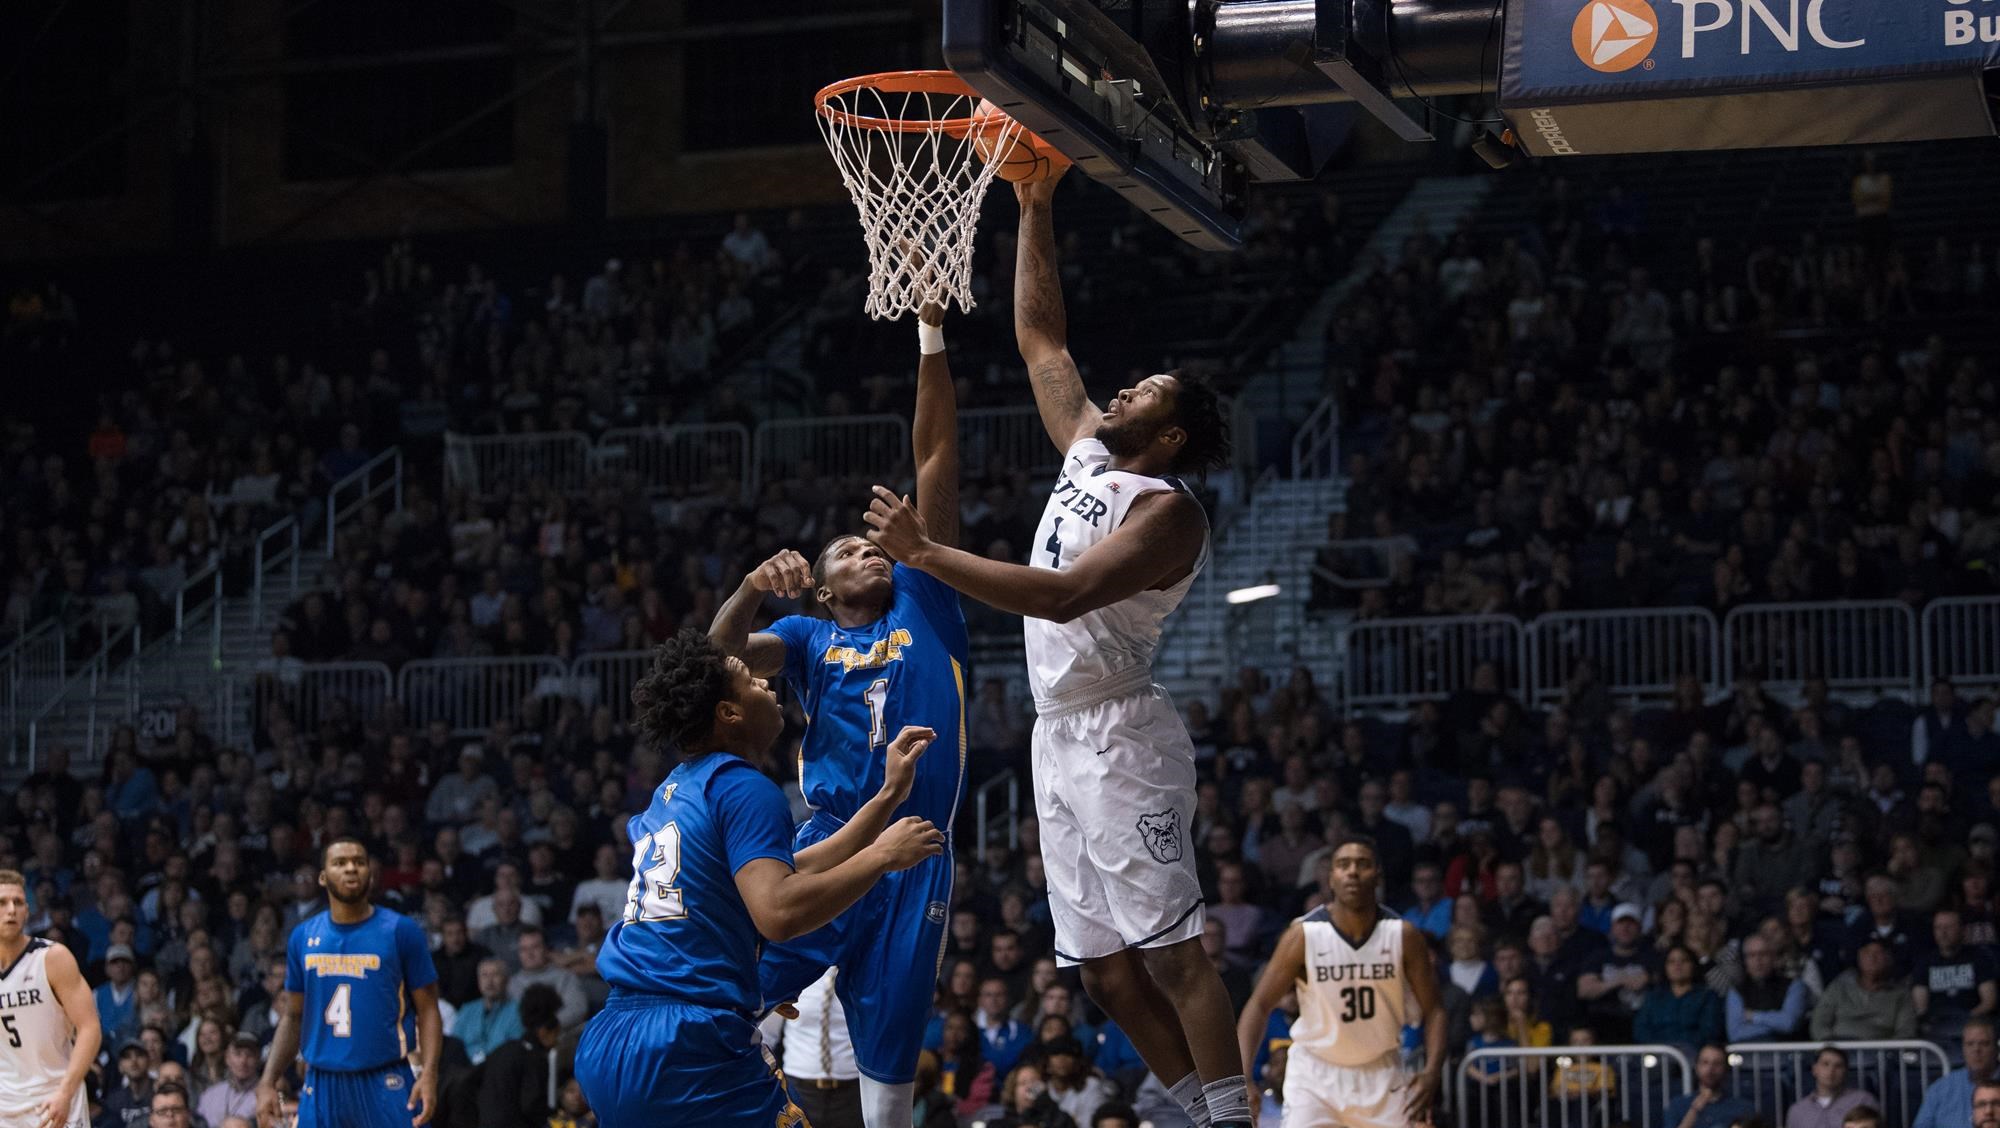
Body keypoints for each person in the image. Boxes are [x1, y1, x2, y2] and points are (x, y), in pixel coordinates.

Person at [864, 170, 1247, 1128]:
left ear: (1171, 435)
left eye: (1142, 393)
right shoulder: (1086, 447)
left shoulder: (1170, 515)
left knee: (1171, 957)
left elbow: (1066, 592)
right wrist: (1034, 202)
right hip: (1056, 734)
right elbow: (1042, 336)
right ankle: (1200, 1111)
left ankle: (1237, 1117)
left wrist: (929, 554)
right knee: (1107, 979)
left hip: (1122, 732)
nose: (1118, 390)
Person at [711, 299, 968, 1128]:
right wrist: (751, 587)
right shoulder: (805, 633)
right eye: (854, 550)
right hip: (824, 838)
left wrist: (930, 336)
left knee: (891, 1062)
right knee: (737, 990)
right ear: (823, 587)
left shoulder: (927, 596)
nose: (874, 551)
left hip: (916, 846)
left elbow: (935, 457)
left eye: (874, 545)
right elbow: (716, 661)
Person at [571, 630, 945, 1128]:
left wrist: (886, 799)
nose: (769, 686)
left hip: (612, 1039)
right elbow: (780, 912)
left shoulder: (677, 789)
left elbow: (789, 869)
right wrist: (880, 860)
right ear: (730, 713)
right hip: (685, 1043)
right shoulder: (744, 786)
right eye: (752, 681)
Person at [1234, 835, 1448, 1127]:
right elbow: (1259, 1004)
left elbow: (1434, 1010)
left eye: (1363, 864)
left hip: (1382, 1073)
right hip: (1314, 1074)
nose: (1352, 872)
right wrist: (1244, 1077)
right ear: (1331, 878)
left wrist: (1432, 1071)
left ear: (1378, 876)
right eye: (1343, 864)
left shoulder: (1404, 935)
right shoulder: (1303, 935)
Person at [255, 838, 446, 1128]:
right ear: (323, 876)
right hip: (322, 1079)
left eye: (359, 862)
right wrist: (267, 1081)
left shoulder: (401, 931)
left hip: (385, 1076)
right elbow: (294, 1016)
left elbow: (429, 1009)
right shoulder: (303, 936)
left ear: (370, 873)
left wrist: (429, 1072)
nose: (351, 869)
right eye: (340, 863)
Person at [0, 868, 100, 1128]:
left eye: (18, 902)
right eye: (2, 902)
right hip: (6, 1104)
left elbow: (90, 1028)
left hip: (55, 1097)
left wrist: (65, 1092)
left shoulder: (52, 958)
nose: (11, 910)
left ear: (27, 910)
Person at [778, 969, 862, 1128]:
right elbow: (767, 1036)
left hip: (853, 1090)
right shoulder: (792, 973)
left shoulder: (862, 973)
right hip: (797, 1089)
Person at [475, 984, 562, 1128]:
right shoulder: (535, 1057)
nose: (556, 1041)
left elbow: (471, 1083)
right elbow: (531, 1104)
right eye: (556, 1034)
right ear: (544, 1031)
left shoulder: (502, 1050)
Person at [1913, 1016, 1999, 1128]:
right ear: (1963, 1048)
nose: (1976, 1050)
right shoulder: (1940, 1089)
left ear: (1996, 1048)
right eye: (1970, 1044)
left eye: (1984, 1043)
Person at [1665, 1044, 1756, 1128]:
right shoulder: (1678, 1106)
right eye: (1705, 1062)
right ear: (1696, 1067)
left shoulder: (1743, 1108)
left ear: (1725, 1068)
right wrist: (1694, 1111)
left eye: (1717, 1063)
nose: (1710, 1069)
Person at [1783, 1046, 1876, 1128]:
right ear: (1815, 1069)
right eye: (1825, 1064)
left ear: (1846, 1071)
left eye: (1838, 1066)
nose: (1831, 1070)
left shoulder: (1863, 1101)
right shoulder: (1797, 1111)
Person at [451, 959, 522, 1065]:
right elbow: (454, 1045)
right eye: (484, 975)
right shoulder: (467, 1010)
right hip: (466, 1071)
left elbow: (515, 1049)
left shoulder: (518, 1011)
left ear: (506, 980)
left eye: (495, 975)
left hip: (501, 1070)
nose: (489, 981)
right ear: (478, 980)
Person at [196, 1032, 261, 1127]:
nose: (243, 1061)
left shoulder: (265, 1096)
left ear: (258, 1059)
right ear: (227, 1057)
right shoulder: (210, 1095)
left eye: (250, 1055)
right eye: (238, 1054)